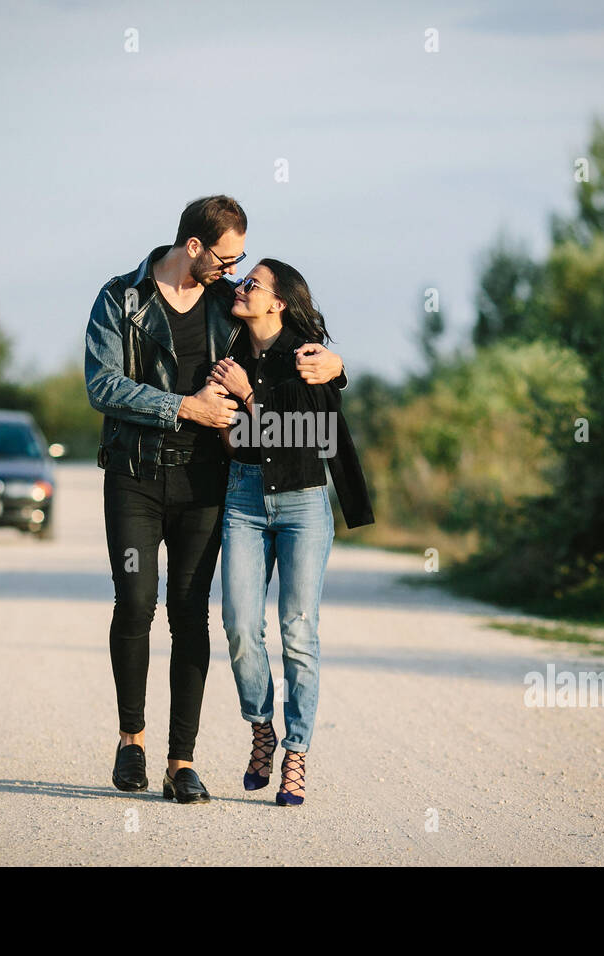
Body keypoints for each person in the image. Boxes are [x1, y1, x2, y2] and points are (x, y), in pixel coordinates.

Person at [83, 197, 347, 804]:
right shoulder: (121, 300)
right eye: (228, 256)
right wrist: (184, 407)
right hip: (134, 474)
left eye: (242, 260)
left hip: (206, 482)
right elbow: (103, 384)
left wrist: (339, 367)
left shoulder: (225, 308)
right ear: (194, 246)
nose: (234, 269)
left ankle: (182, 760)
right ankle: (132, 739)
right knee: (136, 601)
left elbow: (288, 344)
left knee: (190, 614)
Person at [208, 258, 374, 806]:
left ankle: (296, 752)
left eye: (253, 283)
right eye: (243, 281)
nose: (243, 287)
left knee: (299, 632)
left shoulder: (308, 357)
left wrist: (251, 399)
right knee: (238, 622)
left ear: (278, 302)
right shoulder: (229, 354)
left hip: (303, 502)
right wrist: (227, 416)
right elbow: (236, 442)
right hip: (245, 496)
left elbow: (311, 432)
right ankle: (262, 730)